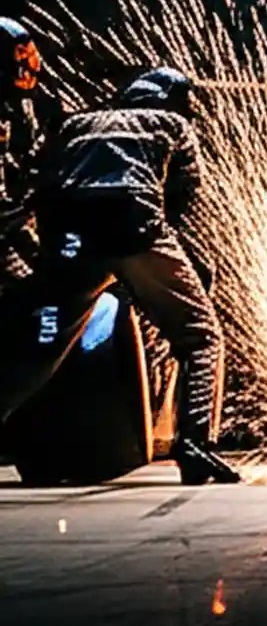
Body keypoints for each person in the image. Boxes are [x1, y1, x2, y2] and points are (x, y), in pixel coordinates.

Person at [0, 67, 239, 485]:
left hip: (73, 243)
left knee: (38, 354)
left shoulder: (73, 125)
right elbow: (182, 200)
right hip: (137, 234)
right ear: (174, 100)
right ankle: (196, 443)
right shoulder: (173, 123)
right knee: (200, 336)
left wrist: (49, 265)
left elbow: (38, 190)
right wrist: (179, 271)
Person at [0, 17, 52, 301]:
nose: (28, 68)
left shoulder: (20, 105)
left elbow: (32, 161)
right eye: (19, 58)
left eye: (29, 55)